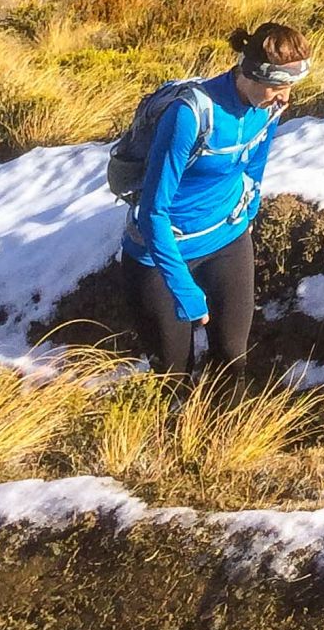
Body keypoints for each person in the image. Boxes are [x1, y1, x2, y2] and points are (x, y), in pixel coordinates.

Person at [118, 21, 309, 375]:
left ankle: (226, 432)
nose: (285, 97)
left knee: (233, 357)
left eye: (290, 86)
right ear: (251, 73)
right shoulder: (189, 116)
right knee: (173, 375)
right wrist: (184, 290)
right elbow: (153, 211)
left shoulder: (269, 108)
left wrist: (247, 214)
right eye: (277, 86)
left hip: (227, 240)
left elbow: (254, 163)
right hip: (162, 255)